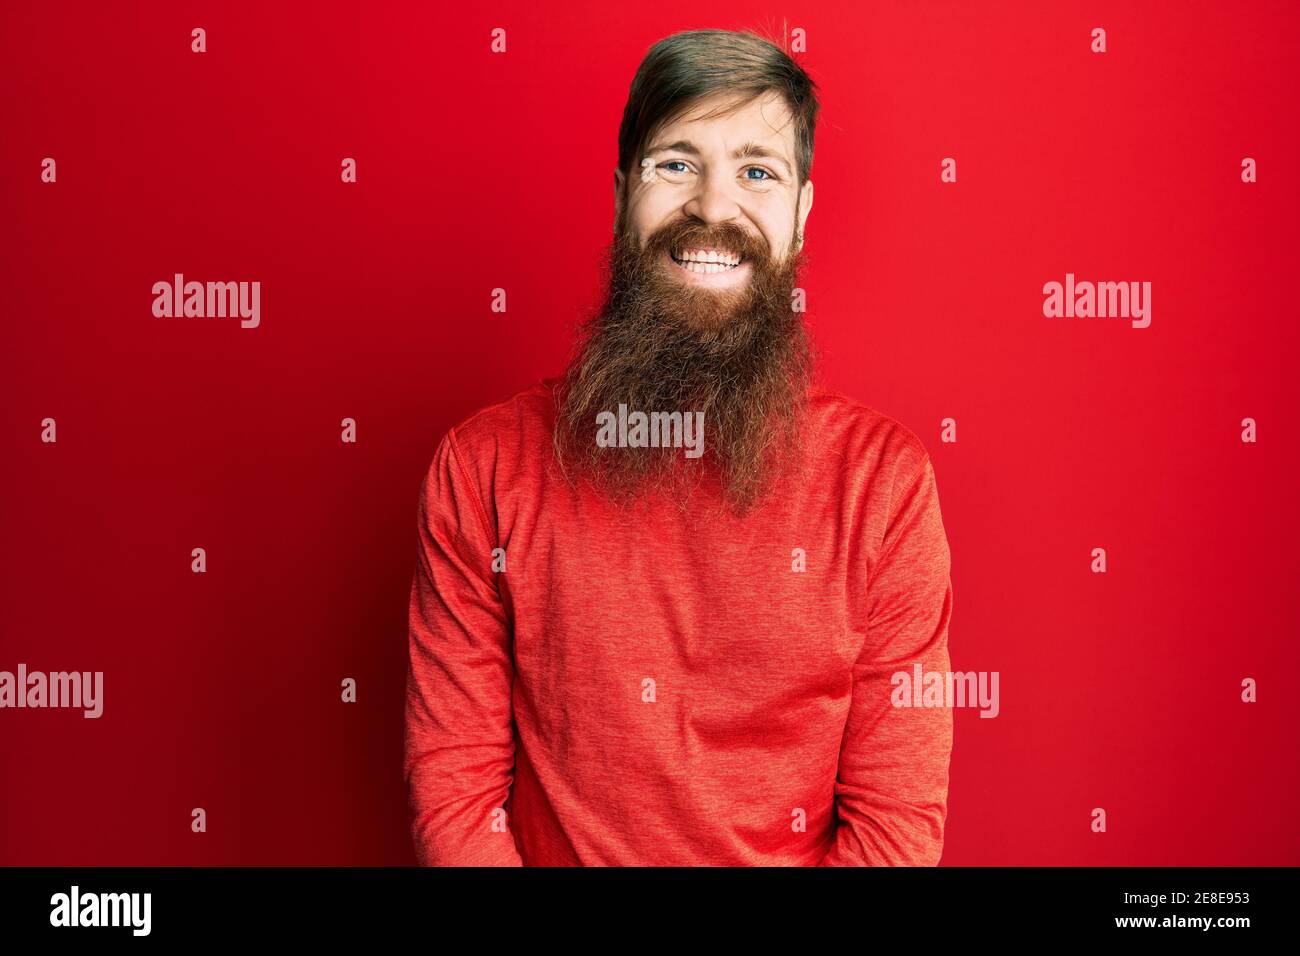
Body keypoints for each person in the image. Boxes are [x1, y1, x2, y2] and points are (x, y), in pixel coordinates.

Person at [404, 27, 955, 865]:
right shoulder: (482, 470)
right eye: (675, 163)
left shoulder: (884, 487)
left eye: (757, 172)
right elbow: (456, 789)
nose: (711, 206)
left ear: (801, 214)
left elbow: (896, 824)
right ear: (623, 191)